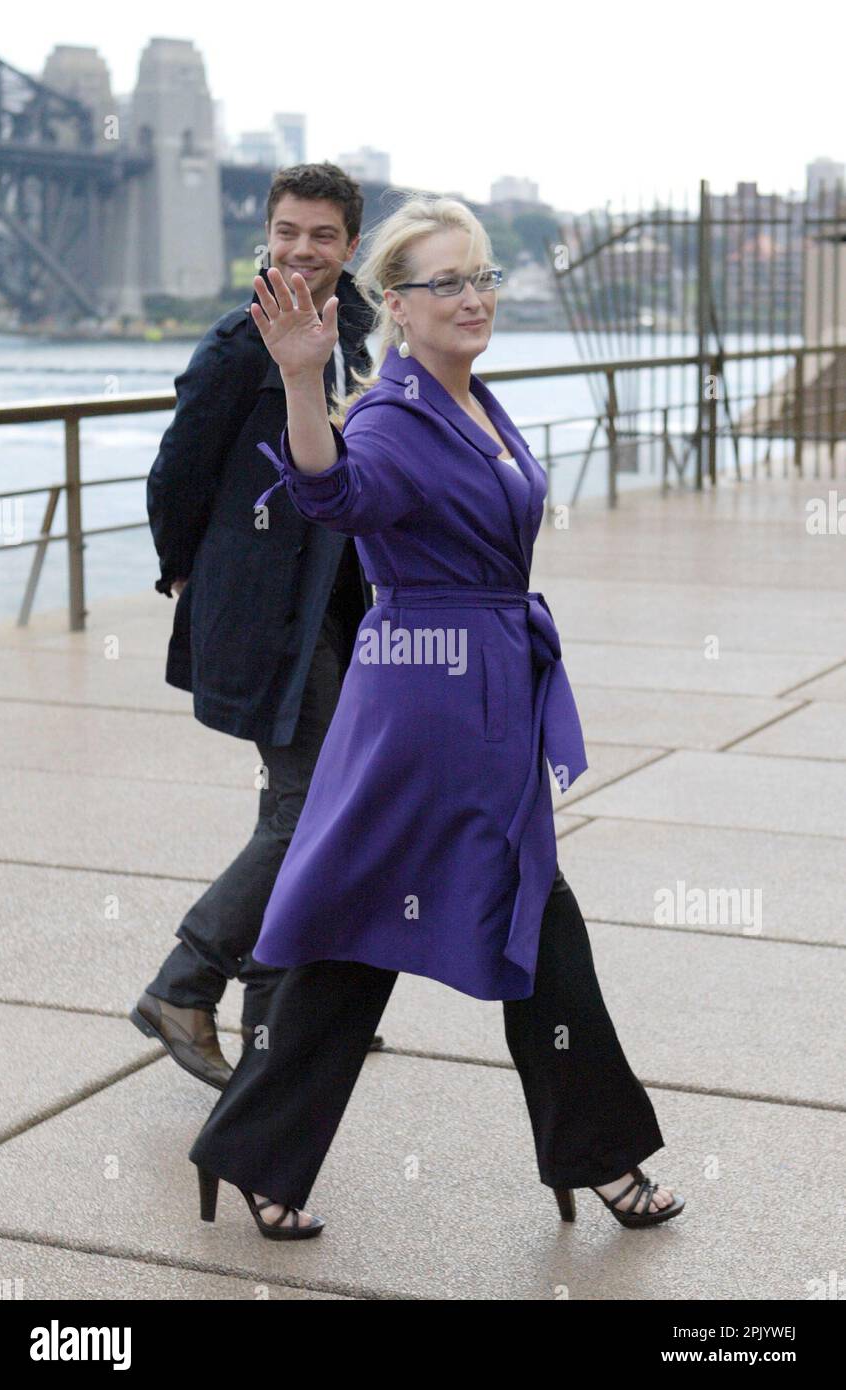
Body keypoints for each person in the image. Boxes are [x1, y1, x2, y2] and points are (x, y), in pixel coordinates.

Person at [188, 194, 686, 1238]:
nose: (473, 298)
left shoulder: (473, 401)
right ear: (396, 309)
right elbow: (335, 493)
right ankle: (595, 1156)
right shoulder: (390, 414)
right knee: (509, 912)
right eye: (444, 283)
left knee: (397, 927)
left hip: (480, 694)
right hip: (429, 713)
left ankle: (252, 1148)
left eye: (482, 278)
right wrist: (295, 378)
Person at [131, 164, 385, 1089]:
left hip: (345, 613)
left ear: (350, 244)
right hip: (267, 613)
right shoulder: (241, 342)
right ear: (266, 236)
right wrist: (189, 574)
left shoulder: (365, 339)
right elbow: (176, 472)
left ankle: (273, 1004)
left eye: (321, 235)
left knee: (297, 802)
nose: (301, 251)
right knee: (311, 803)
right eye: (287, 232)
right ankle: (184, 983)